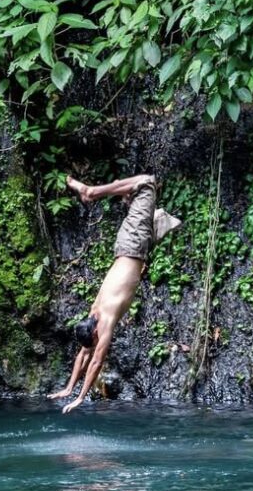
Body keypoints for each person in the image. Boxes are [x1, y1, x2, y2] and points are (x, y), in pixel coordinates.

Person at [47, 174, 180, 414]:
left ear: (95, 331)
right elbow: (84, 355)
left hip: (132, 245)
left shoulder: (104, 322)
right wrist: (68, 389)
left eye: (95, 340)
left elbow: (96, 361)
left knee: (147, 182)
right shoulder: (93, 316)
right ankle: (136, 205)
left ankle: (91, 192)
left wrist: (80, 397)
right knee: (149, 210)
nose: (95, 344)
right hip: (131, 248)